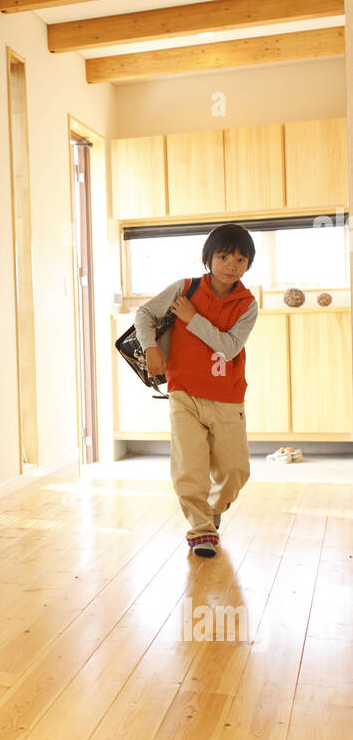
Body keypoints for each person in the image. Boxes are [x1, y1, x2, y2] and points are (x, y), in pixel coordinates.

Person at [134, 223, 258, 558]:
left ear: (248, 265)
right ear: (208, 259)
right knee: (189, 468)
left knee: (235, 471)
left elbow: (228, 347)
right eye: (223, 256)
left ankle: (213, 510)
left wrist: (192, 320)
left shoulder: (247, 304)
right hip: (184, 391)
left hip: (228, 396)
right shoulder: (185, 288)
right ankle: (201, 530)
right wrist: (151, 349)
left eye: (240, 259)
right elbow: (144, 314)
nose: (231, 264)